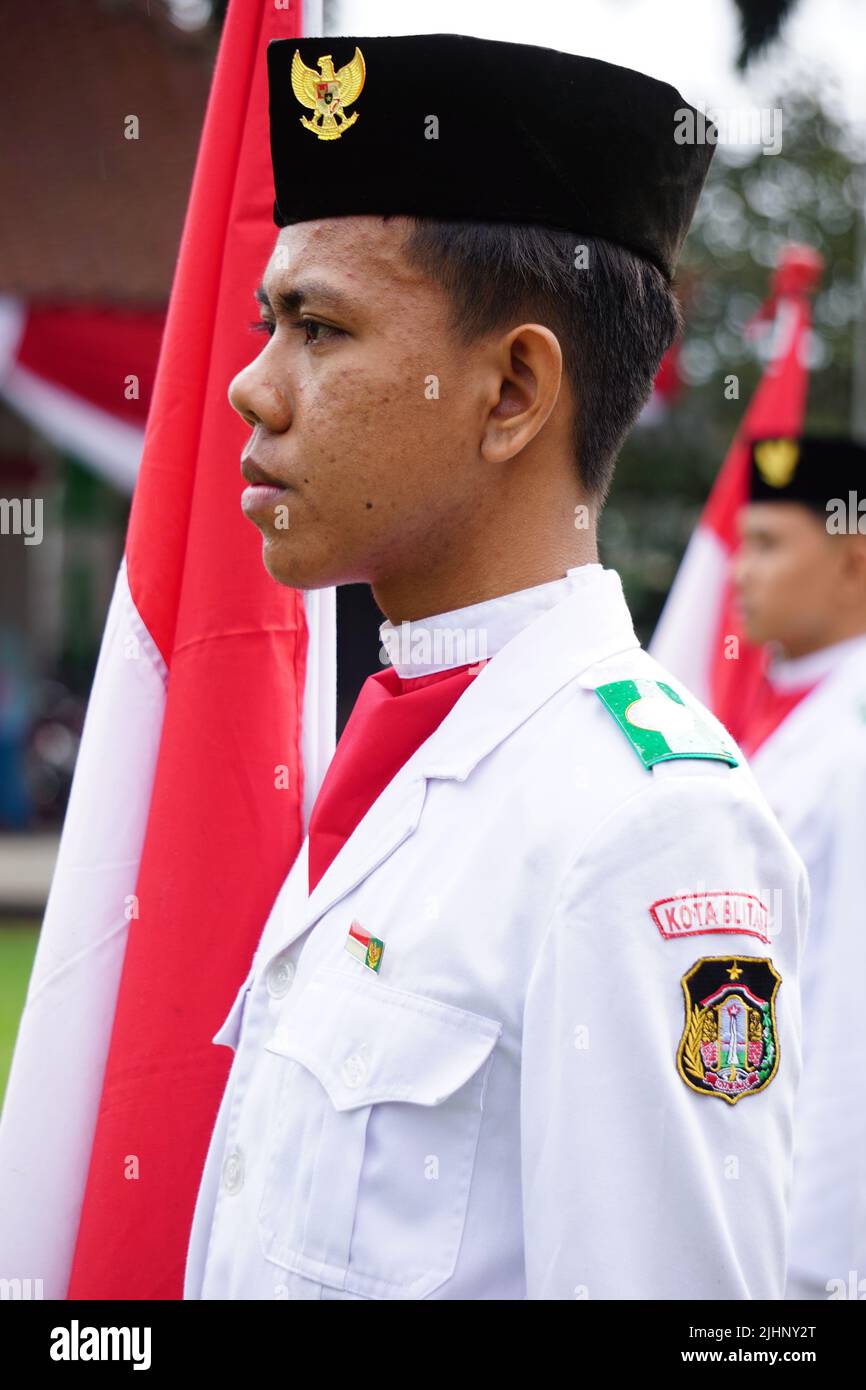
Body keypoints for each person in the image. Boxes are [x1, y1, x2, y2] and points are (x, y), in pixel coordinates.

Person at [183, 32, 807, 1301]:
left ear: (513, 388)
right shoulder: (416, 742)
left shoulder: (641, 826)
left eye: (316, 324)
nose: (252, 387)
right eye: (268, 321)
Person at [733, 434, 866, 1300]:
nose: (741, 571)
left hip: (806, 1238)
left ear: (854, 561)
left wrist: (813, 1276)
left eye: (770, 544)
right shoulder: (777, 712)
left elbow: (854, 1014)